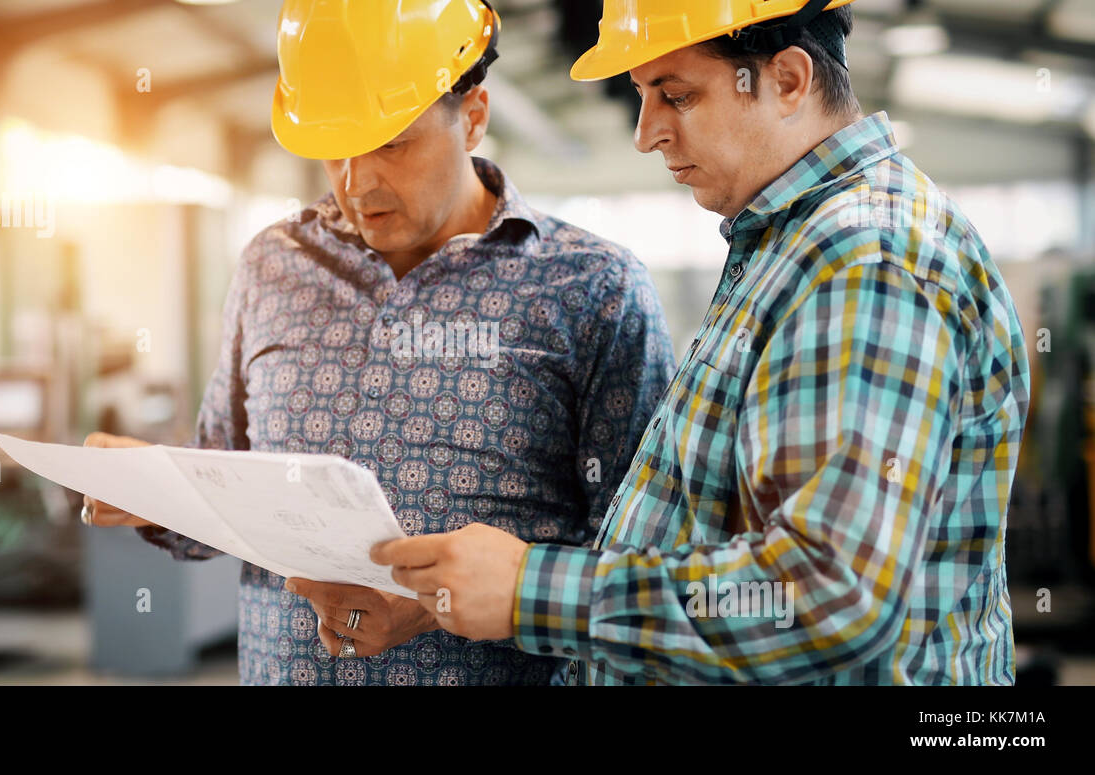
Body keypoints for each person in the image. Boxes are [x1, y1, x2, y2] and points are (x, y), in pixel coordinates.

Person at [374, 0, 1032, 685]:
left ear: (787, 80)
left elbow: (826, 597)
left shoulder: (867, 263)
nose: (646, 133)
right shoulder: (790, 244)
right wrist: (469, 591)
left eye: (676, 95)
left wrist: (528, 591)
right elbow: (704, 527)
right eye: (641, 95)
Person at [81, 0, 676, 686]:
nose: (357, 181)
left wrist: (439, 603)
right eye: (334, 146)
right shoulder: (272, 267)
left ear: (474, 115)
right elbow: (222, 485)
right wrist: (153, 489)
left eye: (391, 141)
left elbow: (640, 559)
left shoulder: (594, 288)